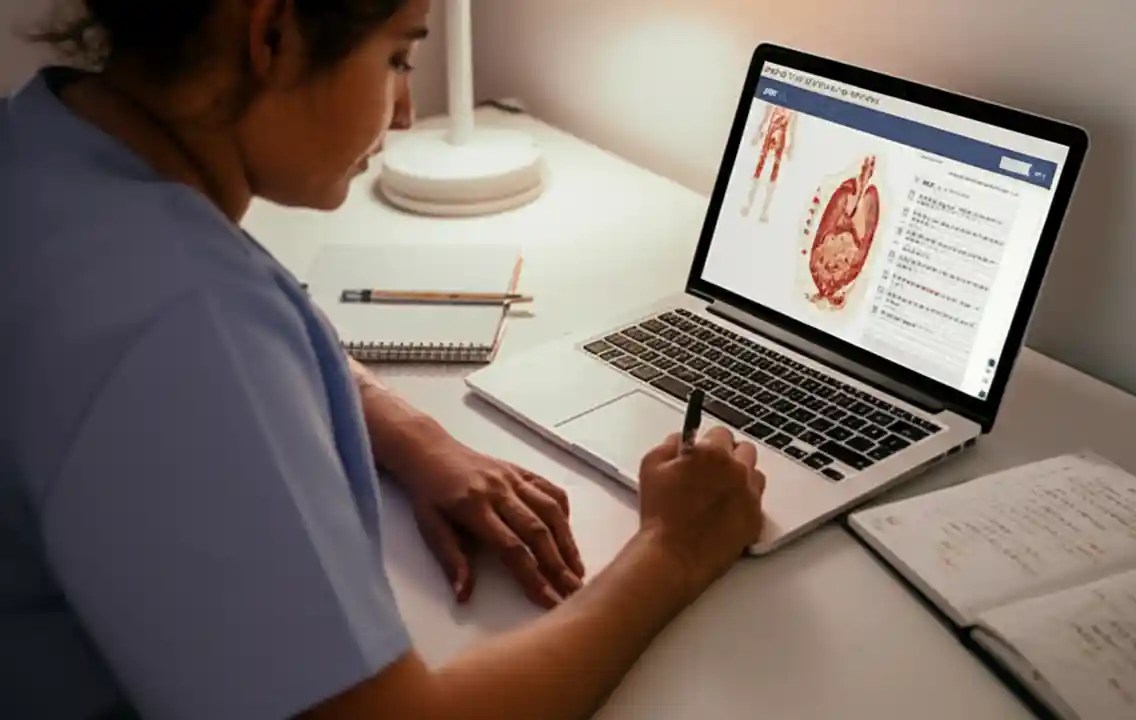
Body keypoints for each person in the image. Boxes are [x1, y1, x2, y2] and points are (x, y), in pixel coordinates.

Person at [0, 1, 766, 718]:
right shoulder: (180, 314)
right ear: (271, 35)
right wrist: (673, 551)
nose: (404, 110)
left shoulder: (48, 139)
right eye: (399, 59)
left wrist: (410, 433)